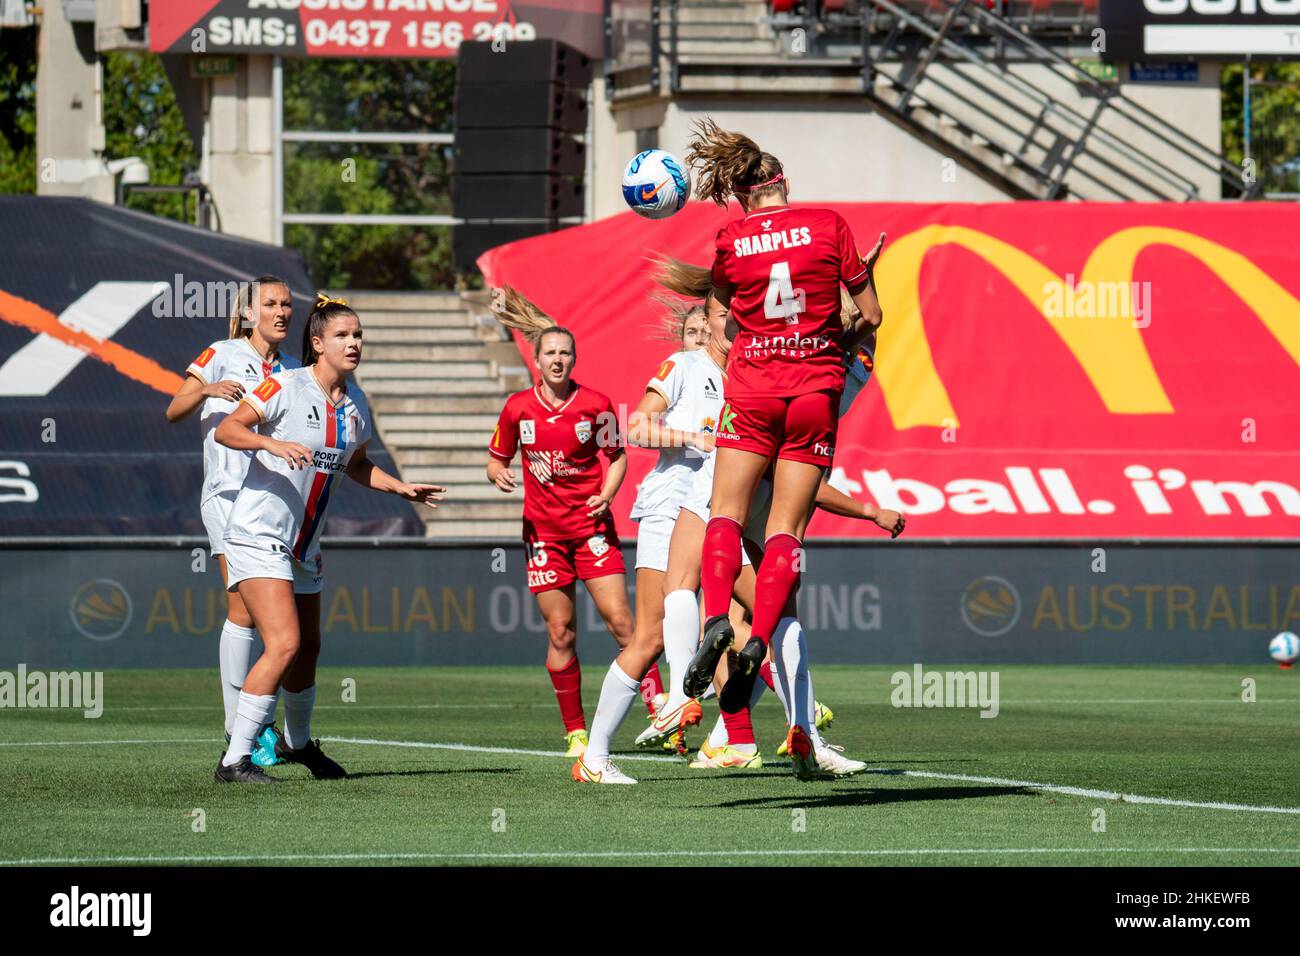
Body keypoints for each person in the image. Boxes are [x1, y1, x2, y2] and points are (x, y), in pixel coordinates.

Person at [681, 118, 886, 778]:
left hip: (755, 389)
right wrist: (841, 304)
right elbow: (871, 318)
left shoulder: (732, 238)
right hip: (814, 391)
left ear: (740, 194)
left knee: (724, 516)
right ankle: (759, 641)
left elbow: (728, 314)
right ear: (784, 184)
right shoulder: (829, 224)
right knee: (786, 533)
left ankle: (719, 620)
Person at [211, 294, 443, 783]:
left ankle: (299, 746)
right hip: (258, 532)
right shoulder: (285, 386)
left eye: (357, 335)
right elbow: (228, 430)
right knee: (284, 643)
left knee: (310, 645)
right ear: (317, 344)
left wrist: (399, 487)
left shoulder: (356, 404)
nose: (353, 342)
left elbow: (356, 464)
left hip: (304, 544)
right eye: (342, 335)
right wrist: (270, 441)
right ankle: (235, 759)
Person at [486, 287, 638, 758]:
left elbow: (618, 457)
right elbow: (494, 460)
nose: (558, 359)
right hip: (544, 535)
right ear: (537, 358)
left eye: (565, 353)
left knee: (622, 625)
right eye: (550, 352)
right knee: (561, 631)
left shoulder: (596, 404)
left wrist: (606, 494)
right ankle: (575, 731)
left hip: (592, 529)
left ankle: (662, 715)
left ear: (574, 359)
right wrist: (501, 472)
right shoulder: (517, 408)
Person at [165, 275, 296, 766]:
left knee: (270, 619)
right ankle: (239, 726)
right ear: (248, 312)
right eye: (270, 304)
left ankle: (255, 725)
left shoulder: (290, 368)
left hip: (270, 504)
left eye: (286, 304)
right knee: (243, 610)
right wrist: (207, 390)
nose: (281, 311)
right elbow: (173, 410)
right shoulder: (219, 351)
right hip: (226, 497)